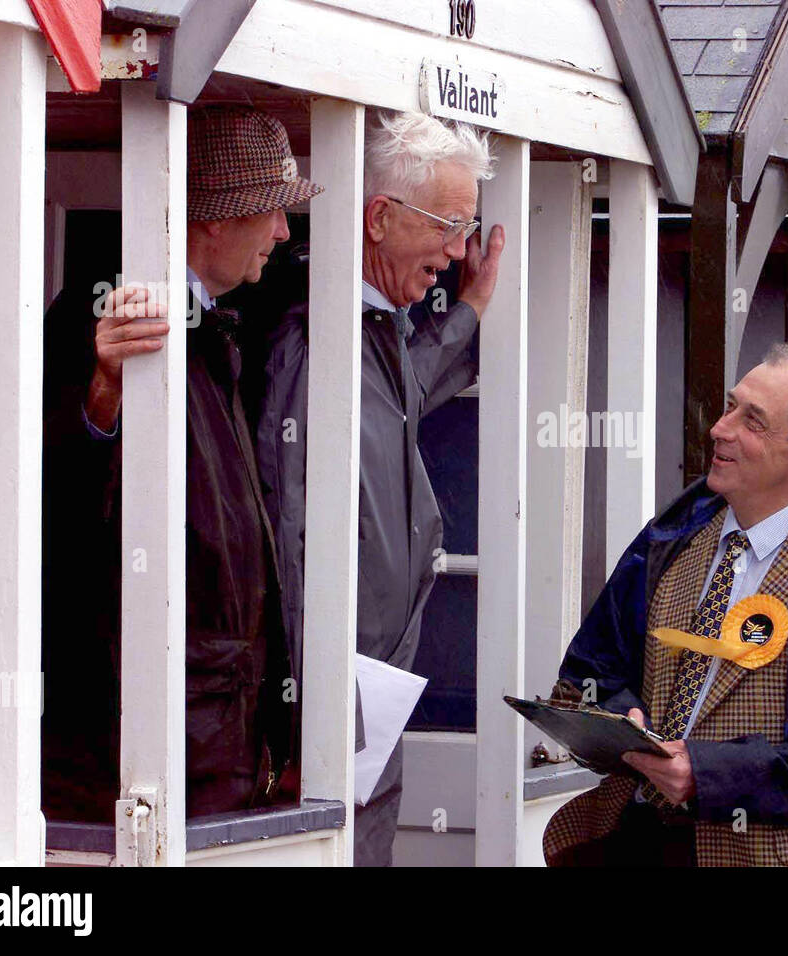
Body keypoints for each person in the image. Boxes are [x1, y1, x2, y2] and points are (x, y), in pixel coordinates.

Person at [543, 345, 788, 866]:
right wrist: (623, 720)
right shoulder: (667, 541)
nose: (720, 428)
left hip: (777, 855)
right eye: (731, 406)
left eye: (752, 421)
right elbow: (587, 673)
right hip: (638, 839)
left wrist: (707, 773)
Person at [40, 107, 323, 821]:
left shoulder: (210, 323)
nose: (285, 232)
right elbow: (52, 501)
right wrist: (103, 388)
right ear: (217, 220)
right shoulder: (109, 320)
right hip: (152, 748)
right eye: (272, 211)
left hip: (210, 738)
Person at [255, 109, 505, 866]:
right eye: (449, 226)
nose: (459, 252)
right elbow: (290, 545)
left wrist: (470, 312)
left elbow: (398, 399)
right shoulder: (312, 339)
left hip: (365, 709)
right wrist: (297, 725)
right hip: (327, 720)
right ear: (378, 218)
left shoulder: (371, 329)